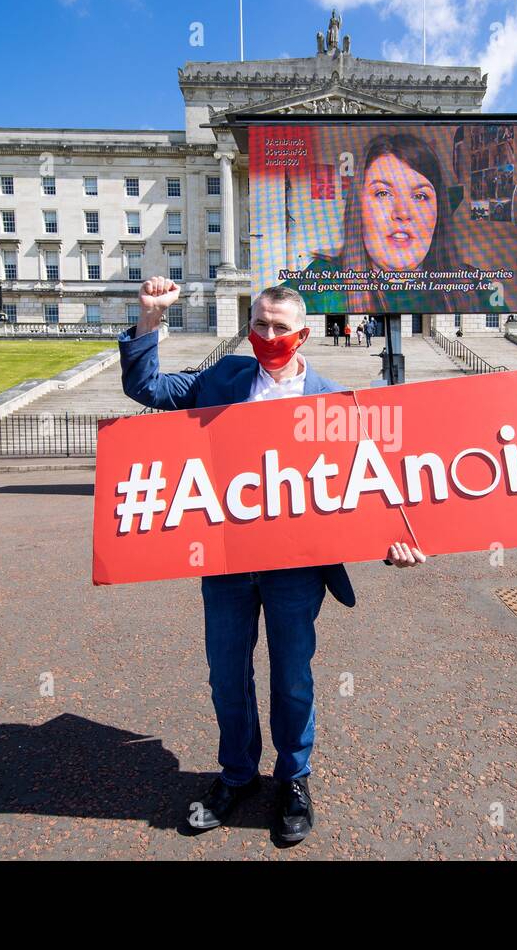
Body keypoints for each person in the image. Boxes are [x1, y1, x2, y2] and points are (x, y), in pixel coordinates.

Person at [119, 277, 427, 844]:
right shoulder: (225, 378)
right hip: (229, 560)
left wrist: (394, 545)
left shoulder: (336, 401)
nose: (267, 335)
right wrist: (150, 318)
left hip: (298, 566)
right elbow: (146, 387)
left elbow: (371, 486)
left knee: (291, 679)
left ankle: (293, 780)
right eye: (259, 324)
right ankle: (236, 776)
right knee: (226, 678)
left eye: (279, 327)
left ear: (303, 334)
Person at [281, 132, 506, 317]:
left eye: (419, 196)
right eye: (383, 193)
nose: (402, 213)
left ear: (438, 214)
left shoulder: (477, 288)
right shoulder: (318, 287)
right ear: (358, 209)